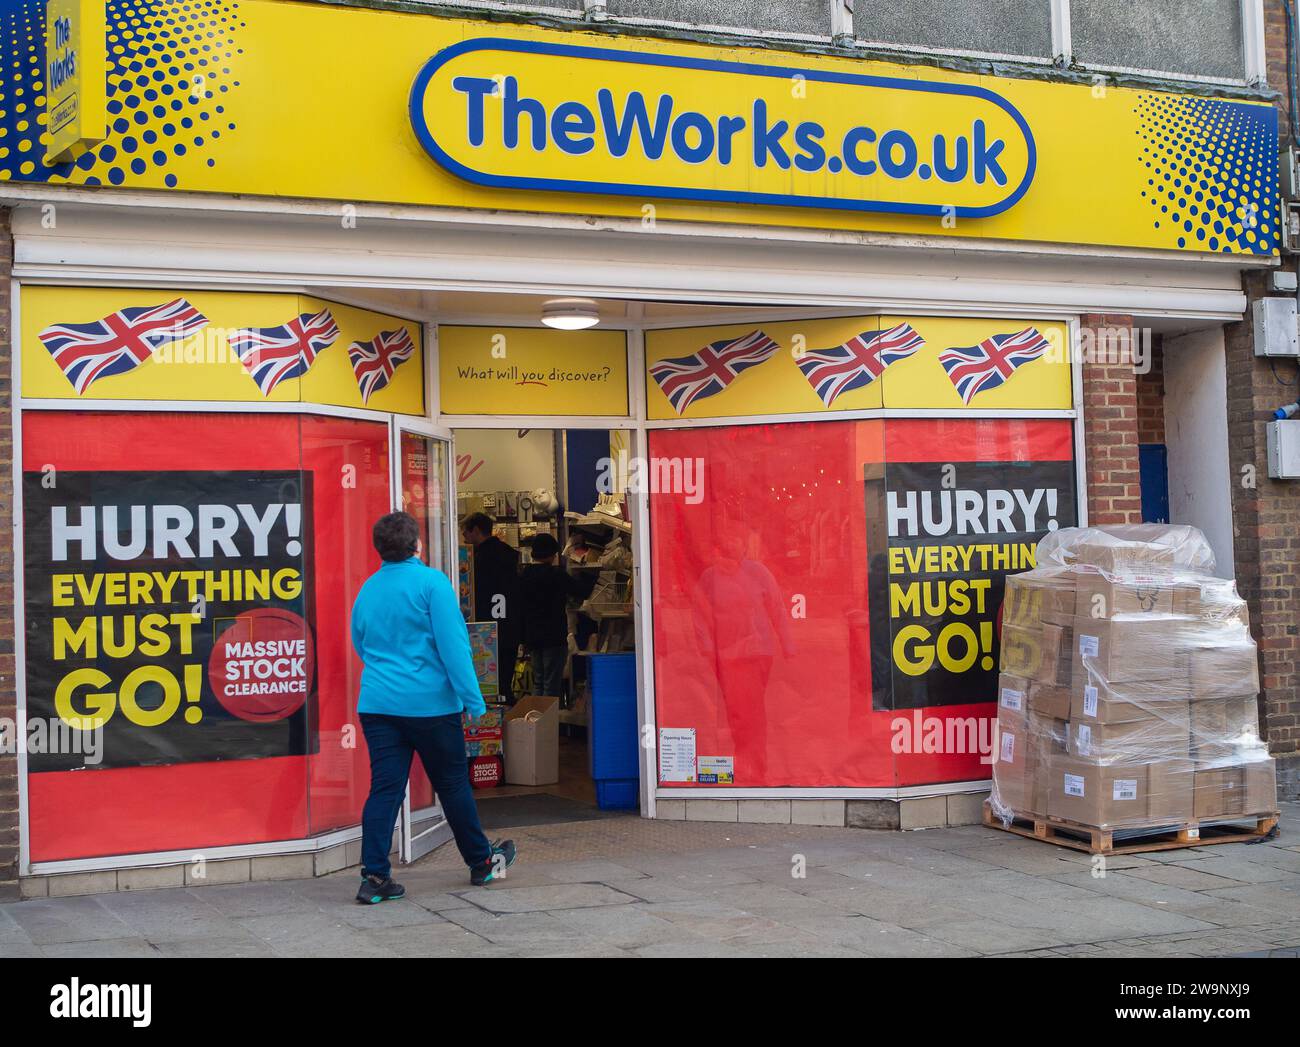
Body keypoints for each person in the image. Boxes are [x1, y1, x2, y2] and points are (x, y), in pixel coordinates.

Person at [351, 511, 516, 903]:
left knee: (385, 788)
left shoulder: (368, 589)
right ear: (417, 545)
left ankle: (374, 878)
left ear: (380, 548)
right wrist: (474, 699)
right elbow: (454, 647)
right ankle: (481, 862)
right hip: (430, 707)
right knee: (453, 783)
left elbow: (361, 642)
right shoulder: (432, 584)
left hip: (378, 704)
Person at [519, 532, 591, 697]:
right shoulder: (556, 574)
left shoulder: (525, 575)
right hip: (554, 635)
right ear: (553, 554)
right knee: (551, 682)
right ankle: (549, 721)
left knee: (539, 680)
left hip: (533, 636)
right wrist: (589, 575)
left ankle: (537, 719)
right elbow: (580, 590)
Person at [461, 512, 520, 704]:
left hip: (482, 631)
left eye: (465, 534)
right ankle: (510, 729)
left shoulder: (474, 559)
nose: (464, 539)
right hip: (509, 628)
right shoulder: (510, 555)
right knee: (504, 685)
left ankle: (487, 729)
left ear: (476, 531)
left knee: (484, 687)